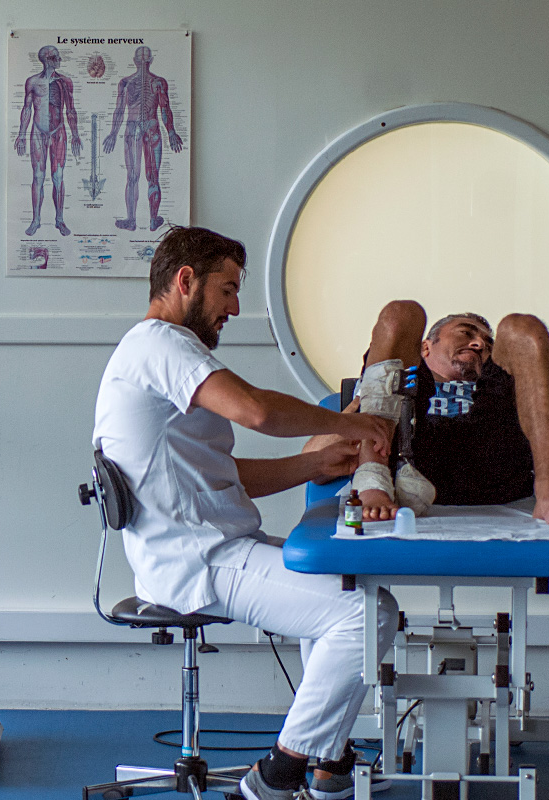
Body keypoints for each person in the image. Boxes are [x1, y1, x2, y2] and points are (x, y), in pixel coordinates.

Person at [92, 226, 401, 800]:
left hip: (209, 547)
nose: (235, 306)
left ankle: (329, 766)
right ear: (186, 281)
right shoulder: (160, 344)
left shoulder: (155, 356)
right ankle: (277, 774)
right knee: (368, 615)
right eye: (228, 289)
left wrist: (314, 464)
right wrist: (353, 422)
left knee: (341, 590)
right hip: (200, 561)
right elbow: (256, 411)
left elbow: (225, 477)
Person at [310, 300, 549, 526]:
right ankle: (372, 482)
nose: (479, 343)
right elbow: (315, 463)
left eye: (486, 342)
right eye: (466, 332)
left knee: (522, 326)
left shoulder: (516, 407)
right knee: (401, 313)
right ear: (426, 348)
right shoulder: (387, 391)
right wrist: (360, 406)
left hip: (493, 456)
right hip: (406, 451)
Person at [102, 46, 182, 232]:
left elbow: (121, 110)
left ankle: (133, 220)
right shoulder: (157, 82)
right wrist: (170, 131)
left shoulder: (127, 82)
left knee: (134, 177)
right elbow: (164, 109)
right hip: (151, 129)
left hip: (133, 130)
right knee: (151, 177)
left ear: (134, 60)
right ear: (150, 60)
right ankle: (152, 220)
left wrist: (114, 133)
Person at [16, 45, 81, 237]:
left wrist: (75, 134)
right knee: (37, 177)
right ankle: (36, 220)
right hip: (38, 132)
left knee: (58, 177)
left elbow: (70, 109)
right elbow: (27, 108)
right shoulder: (32, 82)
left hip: (58, 132)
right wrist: (21, 134)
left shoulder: (65, 82)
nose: (60, 60)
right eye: (56, 57)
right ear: (47, 59)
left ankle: (59, 220)